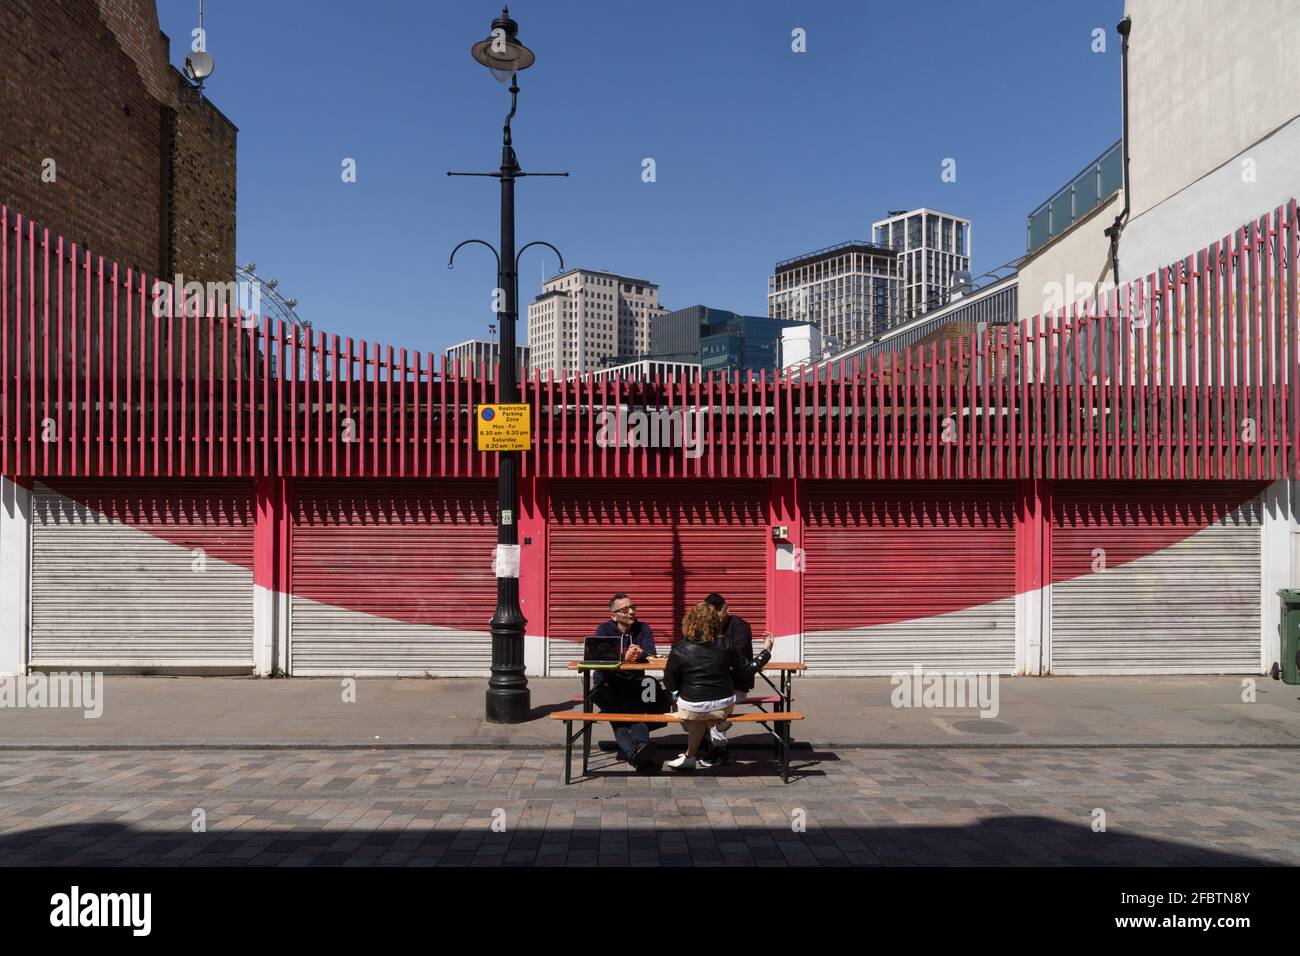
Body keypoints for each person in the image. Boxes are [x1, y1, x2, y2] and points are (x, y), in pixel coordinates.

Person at [662, 601, 773, 772]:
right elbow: (747, 671)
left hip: (691, 708)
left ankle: (690, 756)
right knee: (706, 714)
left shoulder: (679, 648)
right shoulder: (726, 645)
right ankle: (698, 746)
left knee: (696, 713)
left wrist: (678, 695)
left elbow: (669, 681)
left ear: (689, 621)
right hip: (723, 706)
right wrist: (766, 650)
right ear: (715, 622)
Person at [589, 593, 663, 772]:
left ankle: (639, 751)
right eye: (625, 609)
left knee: (639, 713)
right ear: (614, 615)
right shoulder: (604, 629)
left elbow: (651, 652)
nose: (631, 612)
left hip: (634, 682)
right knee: (618, 718)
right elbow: (598, 654)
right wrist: (624, 656)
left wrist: (639, 654)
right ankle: (639, 754)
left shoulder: (643, 628)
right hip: (608, 684)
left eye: (632, 607)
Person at [699, 592, 770, 765]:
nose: (715, 615)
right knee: (684, 701)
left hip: (736, 685)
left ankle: (718, 748)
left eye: (718, 610)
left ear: (726, 608)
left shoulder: (740, 626)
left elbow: (734, 657)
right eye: (711, 611)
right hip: (712, 684)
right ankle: (709, 742)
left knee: (711, 707)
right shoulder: (705, 626)